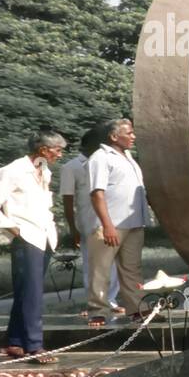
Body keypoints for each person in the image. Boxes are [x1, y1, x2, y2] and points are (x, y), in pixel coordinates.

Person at [0, 129, 67, 362]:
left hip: (43, 237)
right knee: (32, 295)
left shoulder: (44, 170)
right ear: (43, 149)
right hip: (26, 238)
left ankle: (14, 342)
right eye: (57, 150)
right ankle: (35, 346)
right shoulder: (12, 171)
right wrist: (11, 228)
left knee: (28, 292)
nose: (60, 155)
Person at [86, 118, 148, 327]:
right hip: (111, 224)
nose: (133, 136)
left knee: (132, 269)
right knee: (101, 269)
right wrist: (107, 225)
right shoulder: (101, 158)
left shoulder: (128, 157)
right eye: (128, 133)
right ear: (114, 136)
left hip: (133, 223)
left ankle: (137, 308)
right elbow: (97, 194)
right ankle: (98, 310)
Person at [58, 123, 119, 312]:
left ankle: (111, 300)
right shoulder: (71, 167)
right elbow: (68, 201)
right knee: (92, 264)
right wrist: (73, 228)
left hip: (110, 220)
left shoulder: (105, 162)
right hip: (89, 222)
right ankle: (95, 302)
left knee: (113, 263)